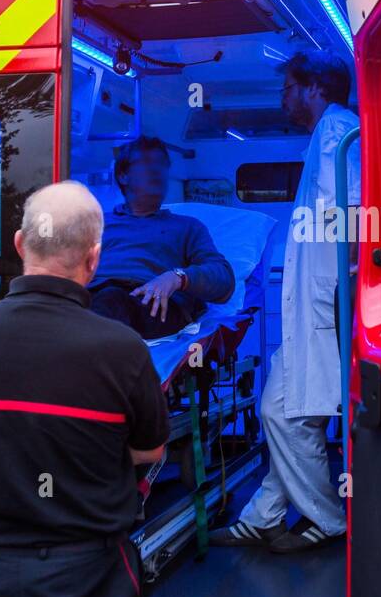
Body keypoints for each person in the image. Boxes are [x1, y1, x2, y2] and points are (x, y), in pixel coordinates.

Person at [0, 180, 170, 597]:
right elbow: (151, 450)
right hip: (85, 582)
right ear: (93, 259)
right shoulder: (122, 350)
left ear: (21, 245)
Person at [210, 50, 359, 553]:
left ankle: (327, 516)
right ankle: (265, 515)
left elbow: (356, 212)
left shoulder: (338, 132)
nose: (283, 98)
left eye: (288, 88)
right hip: (312, 305)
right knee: (286, 410)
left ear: (314, 86)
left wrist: (343, 285)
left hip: (321, 304)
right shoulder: (326, 134)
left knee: (286, 413)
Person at [90, 135, 235, 339]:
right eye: (147, 162)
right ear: (123, 176)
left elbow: (224, 279)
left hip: (152, 305)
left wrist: (177, 277)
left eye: (162, 164)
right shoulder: (96, 225)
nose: (157, 169)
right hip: (93, 299)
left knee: (109, 301)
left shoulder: (187, 227)